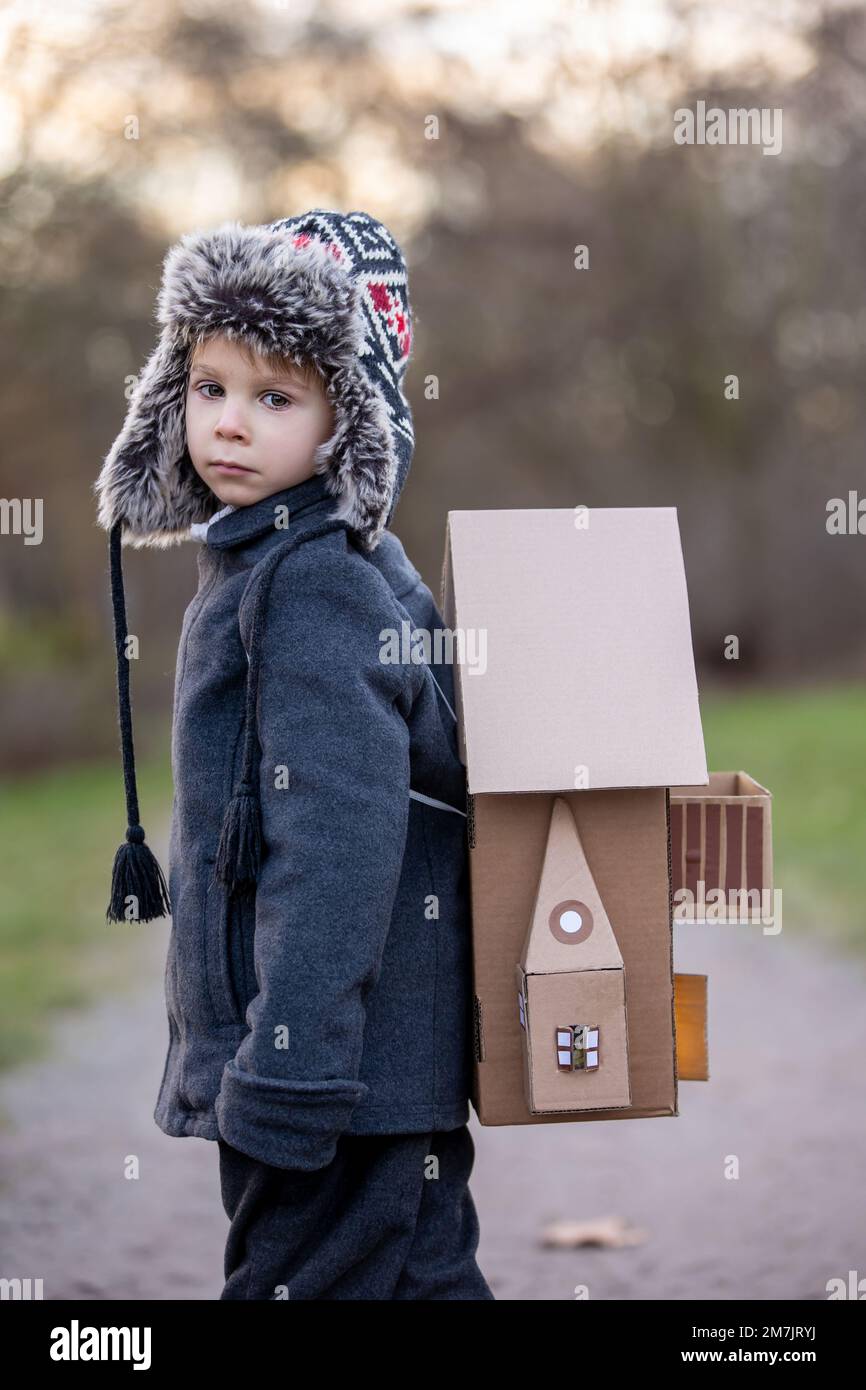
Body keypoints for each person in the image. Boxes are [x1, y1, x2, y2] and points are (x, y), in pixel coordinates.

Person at [93, 209, 494, 1300]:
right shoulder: (276, 561)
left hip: (326, 1075)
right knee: (416, 1279)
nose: (228, 424)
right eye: (209, 386)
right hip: (372, 1075)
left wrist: (288, 1063)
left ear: (345, 424)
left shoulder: (311, 584)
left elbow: (336, 841)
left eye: (275, 398)